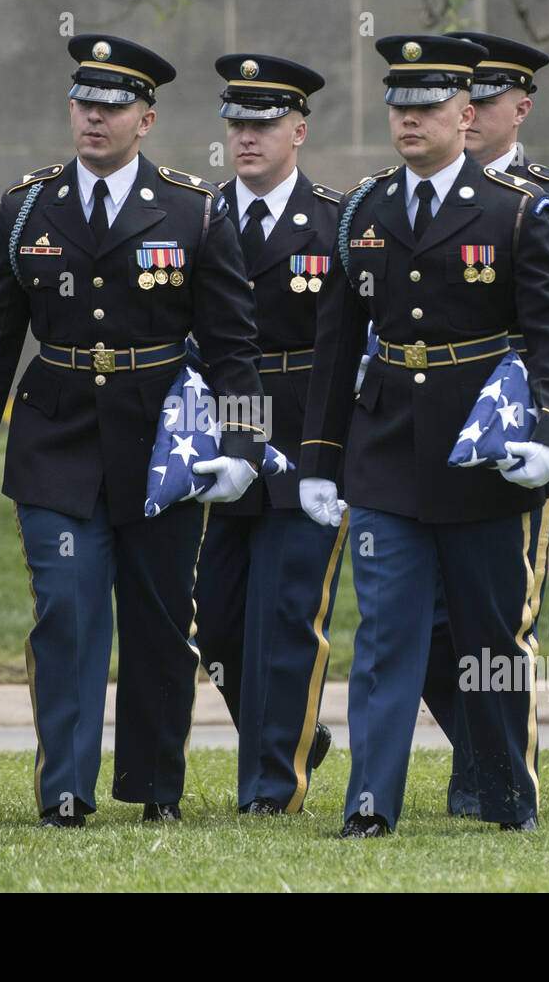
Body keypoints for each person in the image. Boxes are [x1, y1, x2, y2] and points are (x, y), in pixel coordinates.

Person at [0, 35, 265, 827]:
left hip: (162, 442)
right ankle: (66, 788)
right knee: (67, 609)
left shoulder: (193, 209)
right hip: (55, 439)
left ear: (145, 119)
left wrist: (245, 444)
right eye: (84, 101)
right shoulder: (28, 207)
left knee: (158, 618)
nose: (94, 115)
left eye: (113, 104)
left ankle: (157, 786)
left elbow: (232, 343)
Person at [299, 34, 549, 836]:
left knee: (489, 635)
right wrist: (320, 459)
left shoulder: (516, 213)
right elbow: (336, 341)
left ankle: (504, 794)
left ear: (467, 114)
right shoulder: (365, 209)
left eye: (427, 105)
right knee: (386, 628)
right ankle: (369, 802)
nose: (409, 118)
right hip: (386, 449)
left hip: (482, 452)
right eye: (399, 103)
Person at [419, 32, 549, 819]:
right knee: (429, 622)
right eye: (456, 97)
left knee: (498, 621)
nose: (468, 113)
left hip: (519, 445)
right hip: (422, 437)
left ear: (519, 107)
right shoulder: (410, 193)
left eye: (488, 98)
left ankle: (498, 778)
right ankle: (478, 755)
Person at [191, 53, 344, 815]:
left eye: (263, 123)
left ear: (298, 130)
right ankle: (295, 732)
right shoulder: (196, 214)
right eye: (236, 122)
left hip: (306, 436)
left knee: (288, 614)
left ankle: (271, 785)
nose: (245, 136)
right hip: (219, 437)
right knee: (215, 623)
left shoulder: (338, 221)